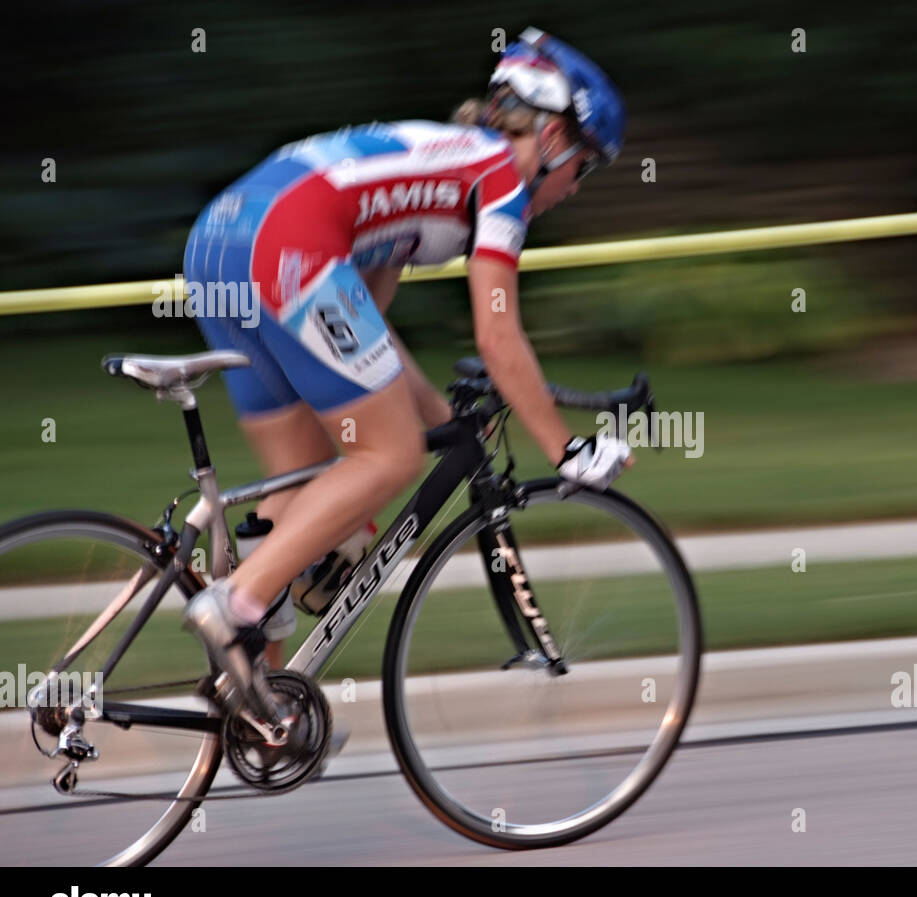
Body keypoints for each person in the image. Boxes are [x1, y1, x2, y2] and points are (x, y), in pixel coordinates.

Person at [180, 27, 633, 728]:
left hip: (220, 239)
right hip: (284, 245)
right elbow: (497, 329)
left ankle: (263, 714)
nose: (576, 189)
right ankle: (230, 604)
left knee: (303, 493)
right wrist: (567, 448)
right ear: (550, 140)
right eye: (586, 166)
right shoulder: (500, 179)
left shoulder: (443, 155)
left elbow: (367, 318)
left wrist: (438, 416)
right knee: (384, 457)